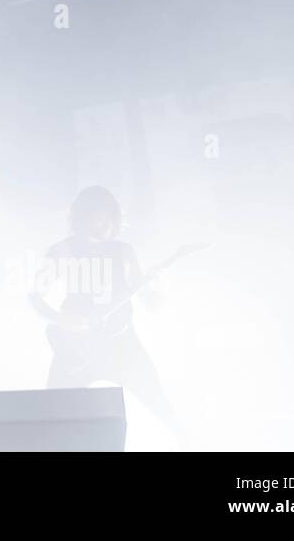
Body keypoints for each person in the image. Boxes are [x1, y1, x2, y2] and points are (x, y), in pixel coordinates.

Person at [28, 186, 185, 440]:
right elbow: (34, 296)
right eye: (96, 217)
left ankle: (194, 443)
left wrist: (156, 282)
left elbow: (152, 303)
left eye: (108, 218)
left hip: (122, 344)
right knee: (53, 413)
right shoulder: (61, 251)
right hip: (75, 348)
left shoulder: (124, 252)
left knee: (160, 403)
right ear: (81, 217)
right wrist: (62, 320)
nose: (103, 225)